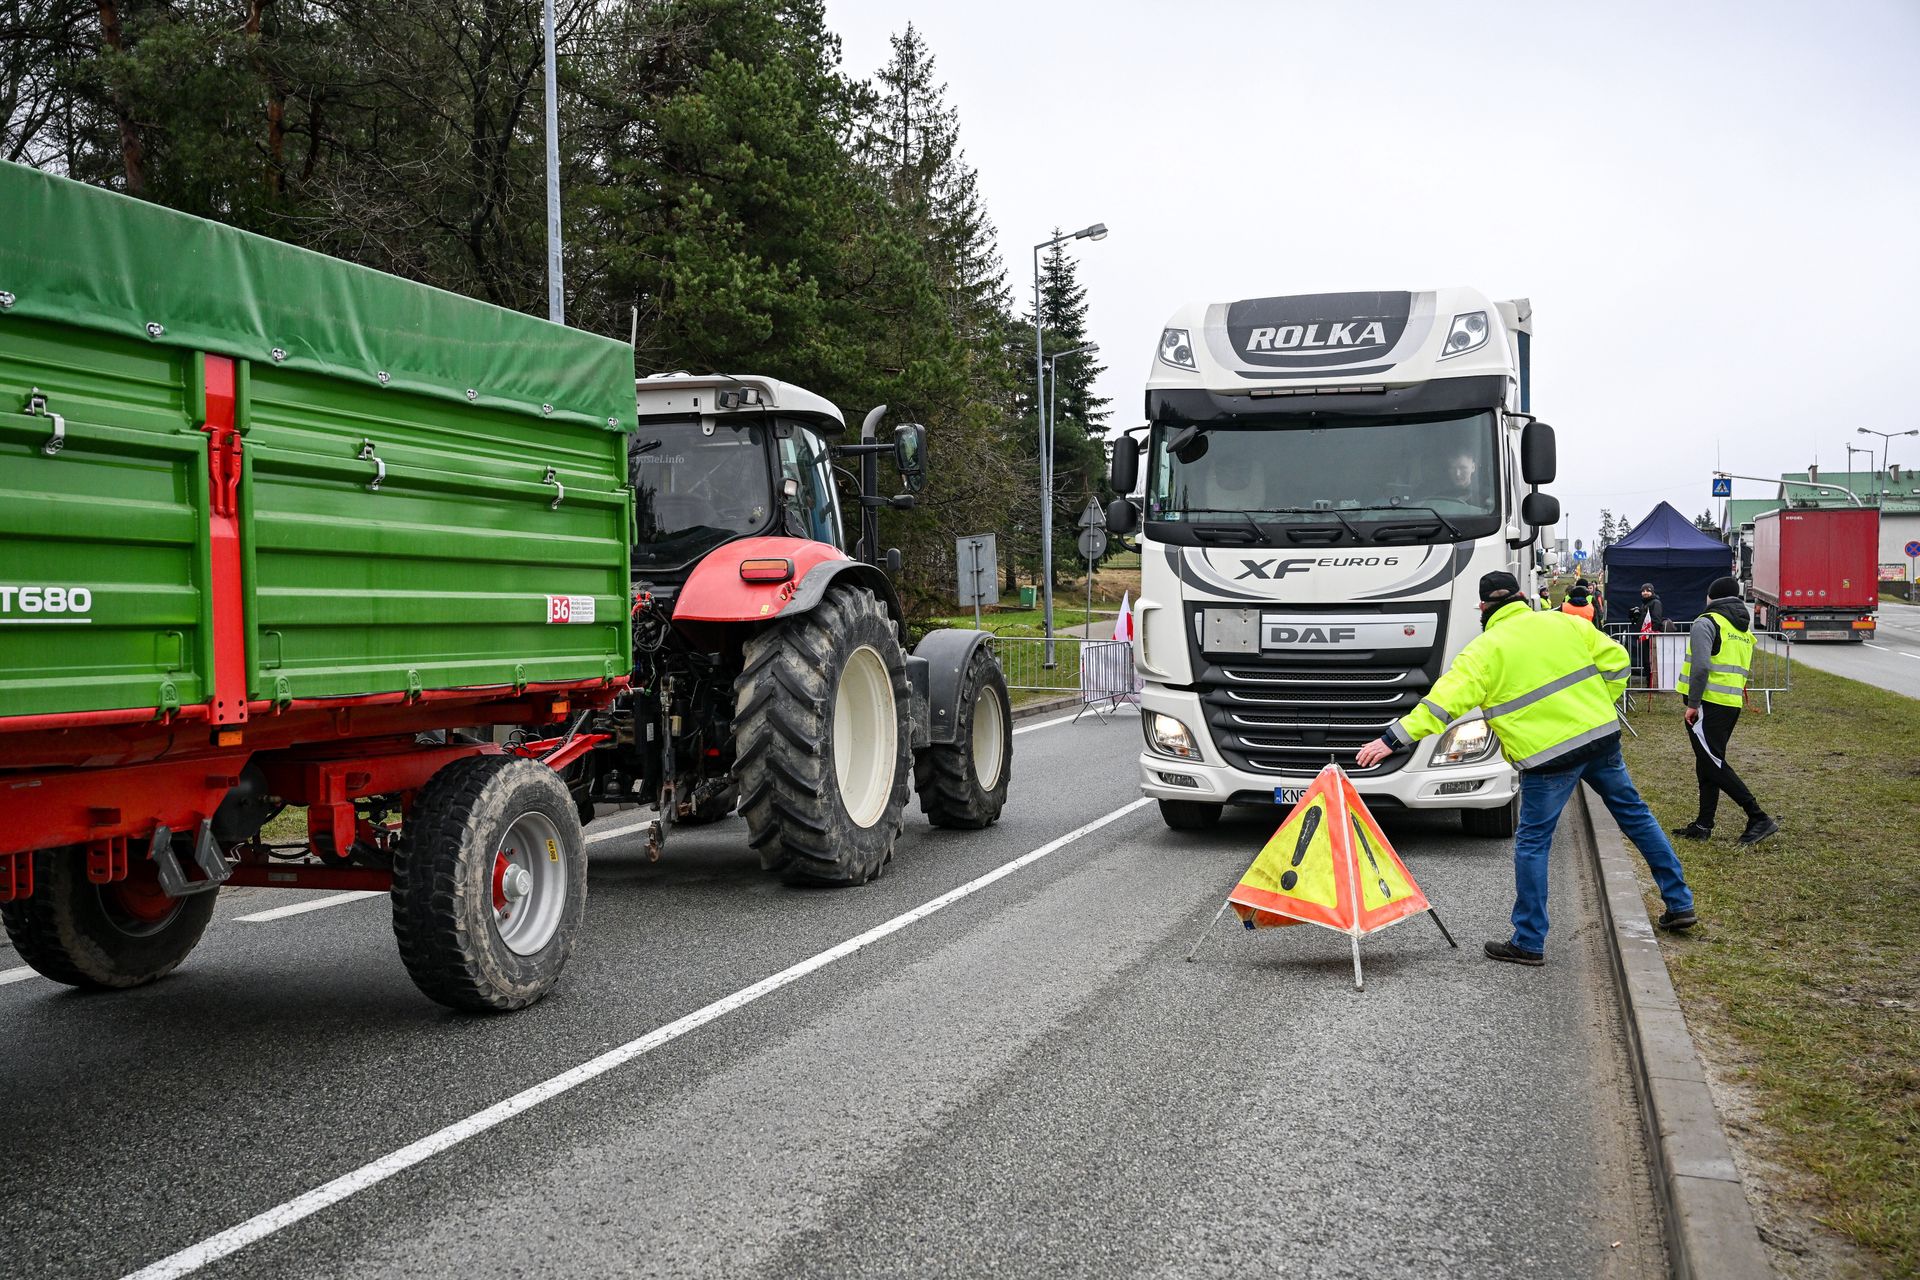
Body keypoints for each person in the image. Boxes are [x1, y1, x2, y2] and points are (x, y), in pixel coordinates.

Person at [1354, 571, 1696, 966]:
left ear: (1483, 607)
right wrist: (1602, 703)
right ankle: (1679, 902)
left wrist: (1389, 740)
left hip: (1547, 759)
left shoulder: (1482, 652)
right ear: (1521, 596)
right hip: (1599, 739)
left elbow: (1438, 707)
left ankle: (1529, 941)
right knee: (1636, 816)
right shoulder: (1565, 623)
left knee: (1534, 843)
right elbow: (1619, 661)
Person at [1671, 577, 1781, 846]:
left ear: (1711, 596)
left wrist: (1693, 703)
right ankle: (1703, 824)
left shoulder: (1706, 622)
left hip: (1707, 704)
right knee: (1707, 762)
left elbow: (1701, 667)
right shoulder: (1741, 626)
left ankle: (1757, 816)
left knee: (1713, 763)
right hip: (1730, 704)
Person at [1626, 583, 1664, 680]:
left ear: (1652, 592)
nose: (1645, 593)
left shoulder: (1655, 603)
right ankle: (1649, 682)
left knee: (1650, 661)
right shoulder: (1644, 604)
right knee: (1646, 661)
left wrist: (1649, 634)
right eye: (1643, 591)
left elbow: (1656, 620)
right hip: (1644, 636)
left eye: (1647, 590)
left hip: (1650, 637)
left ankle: (1651, 683)